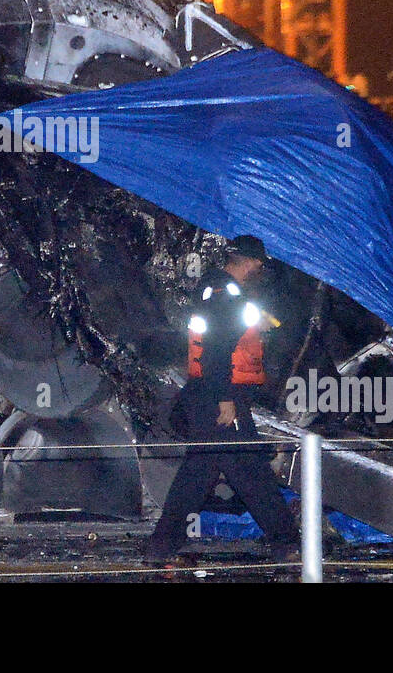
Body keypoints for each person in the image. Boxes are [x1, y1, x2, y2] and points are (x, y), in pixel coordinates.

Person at [145, 235, 303, 565]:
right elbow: (217, 350)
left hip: (211, 394)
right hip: (218, 395)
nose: (260, 269)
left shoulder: (219, 292)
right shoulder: (224, 294)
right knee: (248, 471)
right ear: (246, 261)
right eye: (258, 263)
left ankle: (160, 546)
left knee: (203, 473)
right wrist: (226, 398)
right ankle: (286, 542)